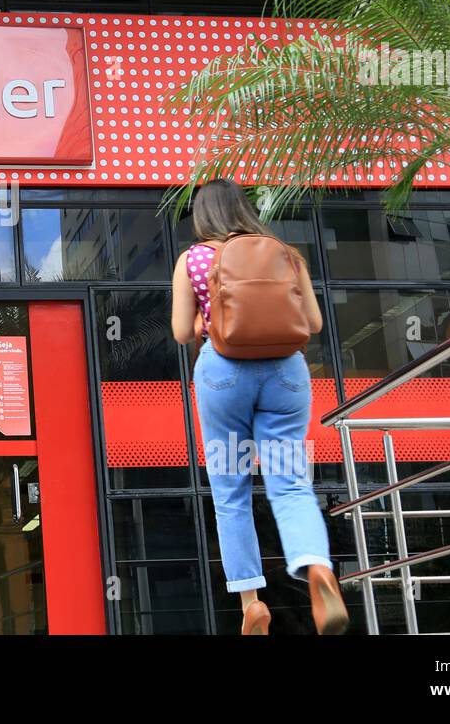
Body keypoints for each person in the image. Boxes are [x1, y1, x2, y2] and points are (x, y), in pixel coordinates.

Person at [171, 179, 348, 636]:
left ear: (203, 215)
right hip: (286, 374)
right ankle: (316, 568)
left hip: (223, 373)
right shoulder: (286, 254)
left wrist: (201, 316)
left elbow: (180, 333)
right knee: (289, 484)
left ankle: (251, 601)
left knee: (231, 493)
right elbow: (312, 322)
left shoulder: (193, 259)